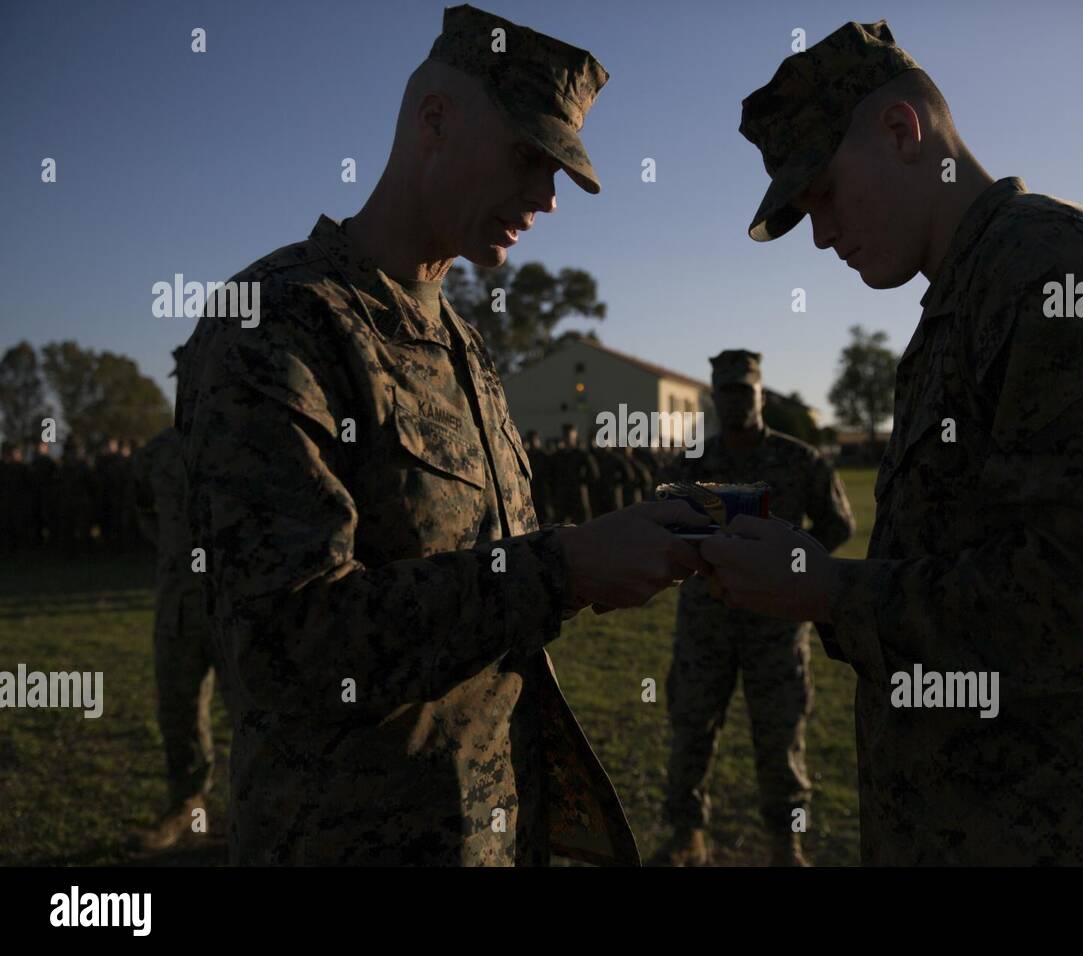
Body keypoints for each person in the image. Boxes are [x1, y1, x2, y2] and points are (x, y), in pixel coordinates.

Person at [176, 3, 708, 866]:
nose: (545, 197)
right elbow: (286, 643)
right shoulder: (279, 324)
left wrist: (607, 556)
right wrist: (566, 567)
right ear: (435, 120)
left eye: (558, 172)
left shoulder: (460, 342)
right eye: (530, 158)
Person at [700, 19, 1083, 865]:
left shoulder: (1059, 275)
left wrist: (828, 591)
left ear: (903, 132)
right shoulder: (967, 299)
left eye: (823, 193)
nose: (823, 235)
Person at [652, 350, 854, 867]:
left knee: (781, 732)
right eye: (726, 392)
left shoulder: (799, 459)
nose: (736, 400)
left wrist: (790, 562)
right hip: (706, 622)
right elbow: (663, 527)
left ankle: (785, 845)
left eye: (745, 391)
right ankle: (684, 835)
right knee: (691, 725)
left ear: (761, 394)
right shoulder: (692, 463)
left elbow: (838, 523)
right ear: (714, 397)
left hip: (775, 624)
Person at [130, 409, 228, 852]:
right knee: (178, 711)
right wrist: (176, 554)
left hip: (236, 602)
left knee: (255, 712)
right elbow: (141, 510)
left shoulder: (249, 435)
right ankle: (188, 813)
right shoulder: (156, 452)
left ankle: (255, 821)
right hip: (178, 605)